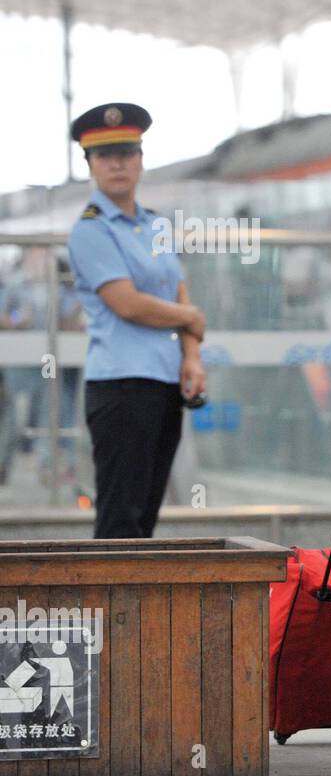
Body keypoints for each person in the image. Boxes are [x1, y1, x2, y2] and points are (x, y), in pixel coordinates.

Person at [66, 103, 207, 539]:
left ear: (141, 160)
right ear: (89, 164)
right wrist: (189, 317)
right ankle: (105, 609)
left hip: (164, 384)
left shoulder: (153, 224)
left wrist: (192, 358)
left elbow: (176, 287)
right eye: (105, 155)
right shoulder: (90, 230)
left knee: (145, 516)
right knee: (119, 520)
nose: (118, 163)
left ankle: (130, 609)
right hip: (121, 387)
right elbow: (126, 302)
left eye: (127, 153)